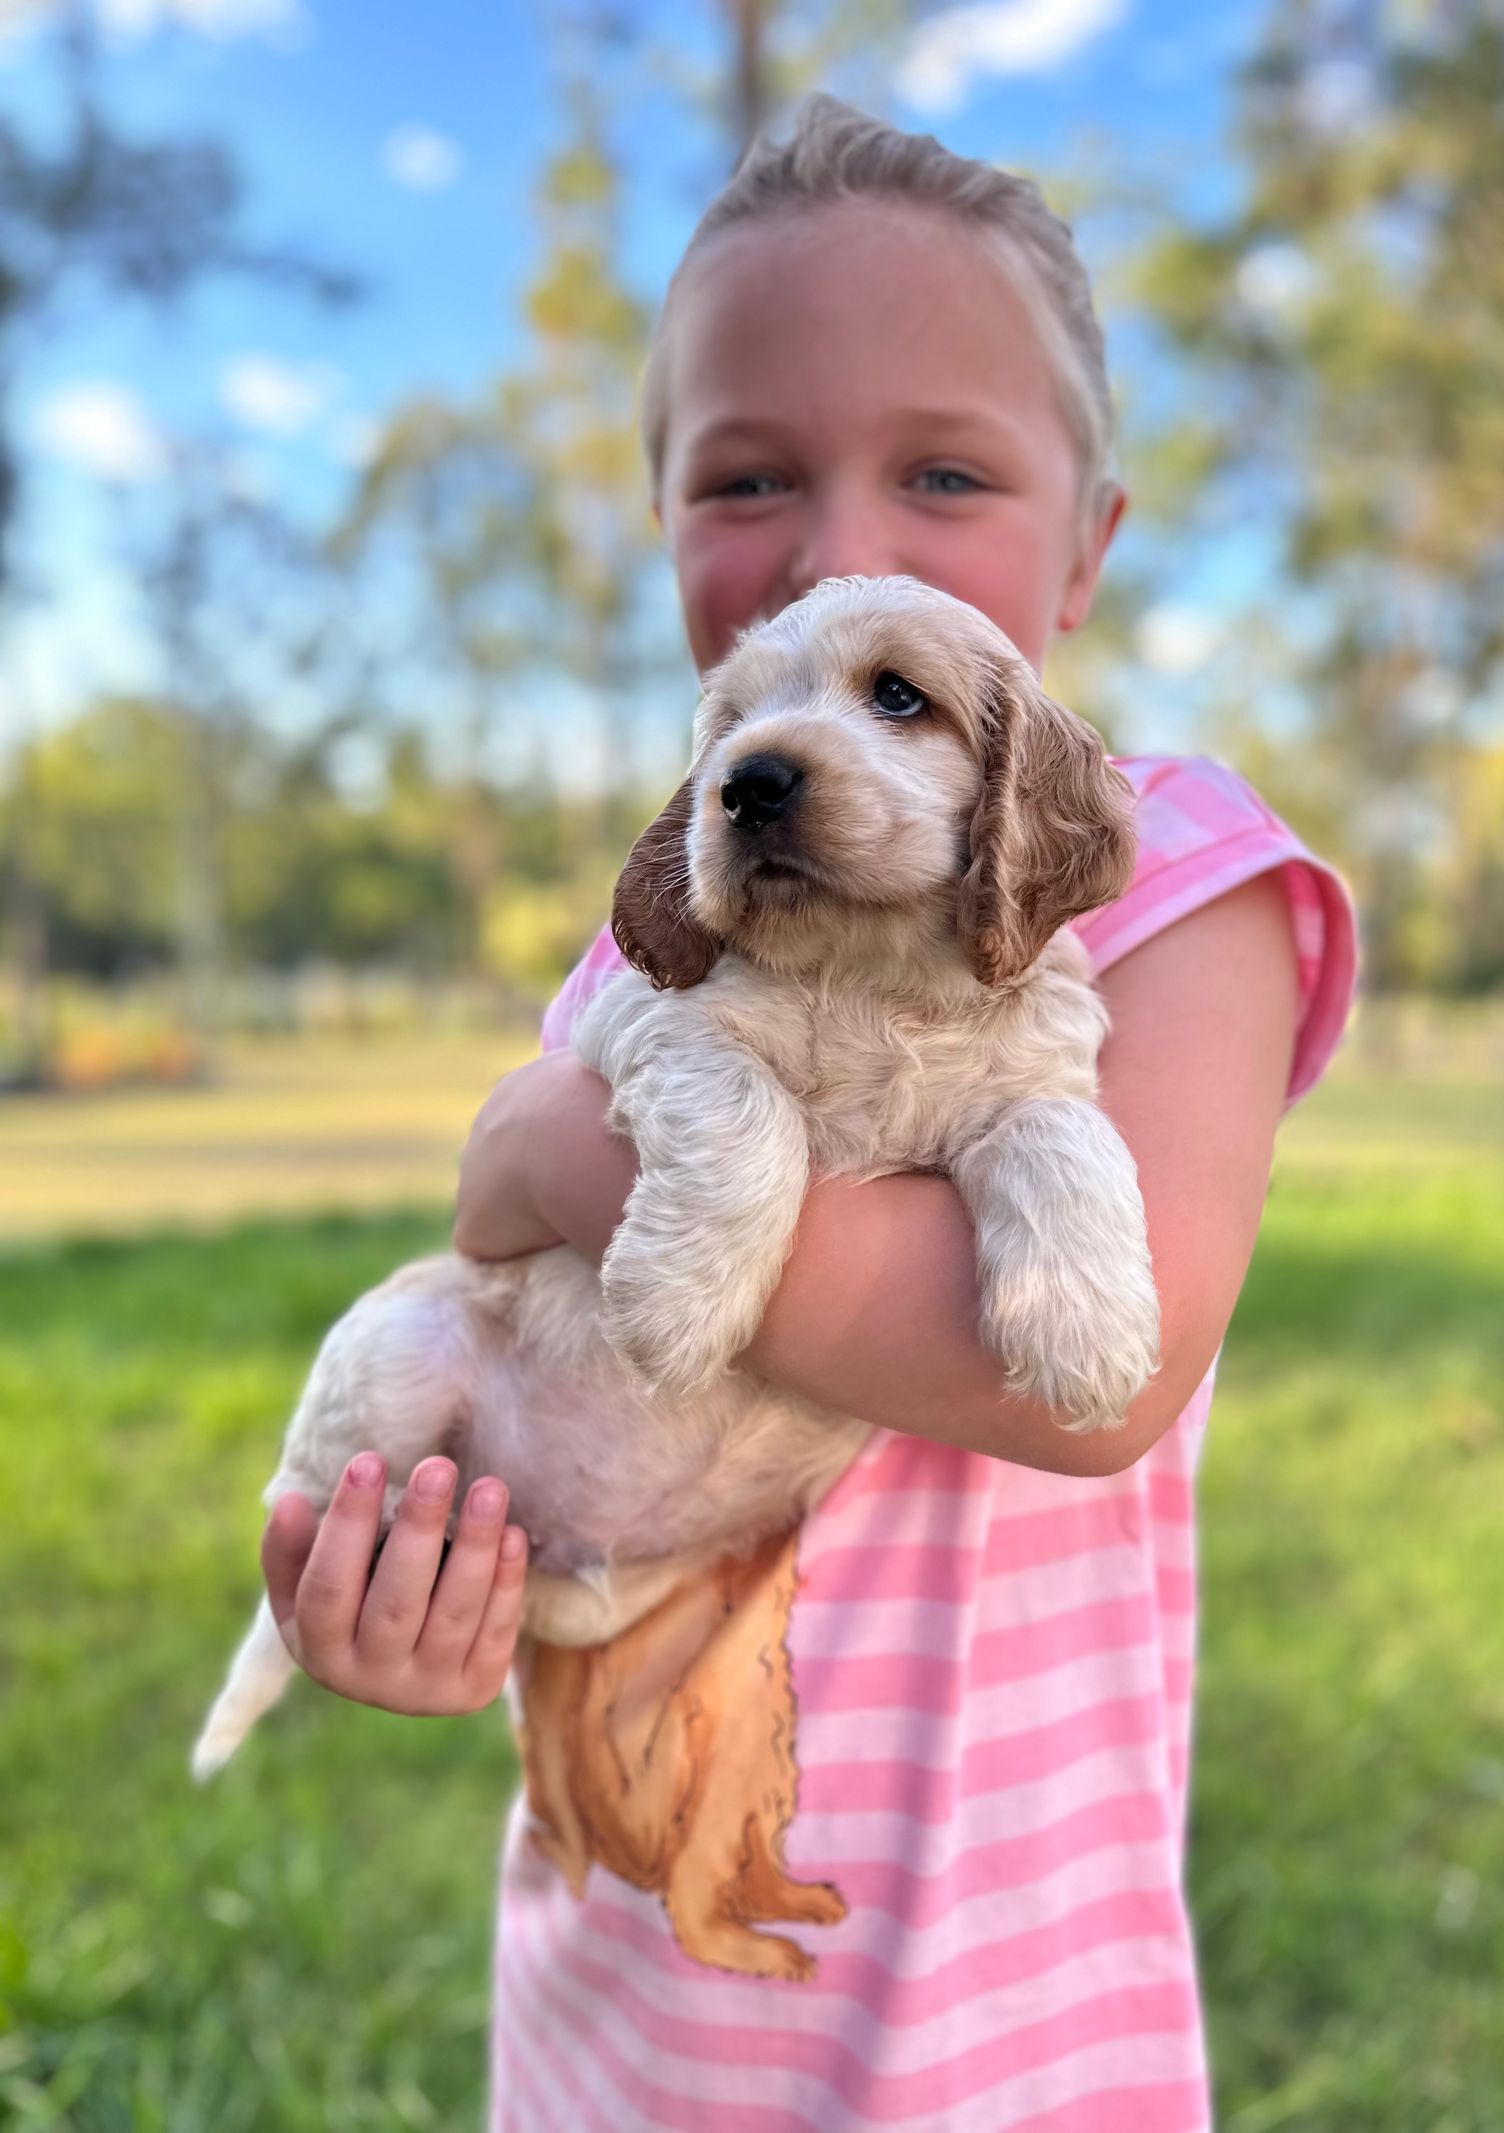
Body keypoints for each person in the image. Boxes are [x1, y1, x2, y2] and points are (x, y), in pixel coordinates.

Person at [262, 94, 1358, 2131]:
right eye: (750, 475)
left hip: (989, 2026)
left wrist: (559, 1147)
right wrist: (399, 1589)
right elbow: (524, 1349)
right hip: (614, 1993)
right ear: (668, 524)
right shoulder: (668, 915)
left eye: (941, 471)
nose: (843, 543)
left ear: (1086, 542)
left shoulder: (1157, 875)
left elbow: (1082, 1382)